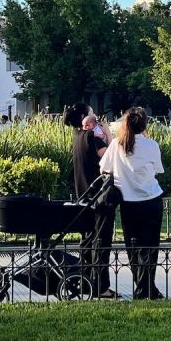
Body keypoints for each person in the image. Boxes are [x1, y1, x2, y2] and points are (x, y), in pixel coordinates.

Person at [99, 106, 165, 301]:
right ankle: (146, 289)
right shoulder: (151, 145)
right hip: (151, 199)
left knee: (133, 247)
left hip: (128, 202)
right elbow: (157, 170)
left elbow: (104, 169)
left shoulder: (117, 144)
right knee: (150, 247)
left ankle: (144, 288)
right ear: (144, 124)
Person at [66, 104, 118, 298]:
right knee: (101, 242)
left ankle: (86, 282)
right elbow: (111, 158)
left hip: (84, 196)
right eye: (90, 111)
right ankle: (101, 287)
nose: (95, 113)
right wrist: (109, 134)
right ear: (84, 119)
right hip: (99, 196)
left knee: (87, 242)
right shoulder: (91, 137)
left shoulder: (78, 137)